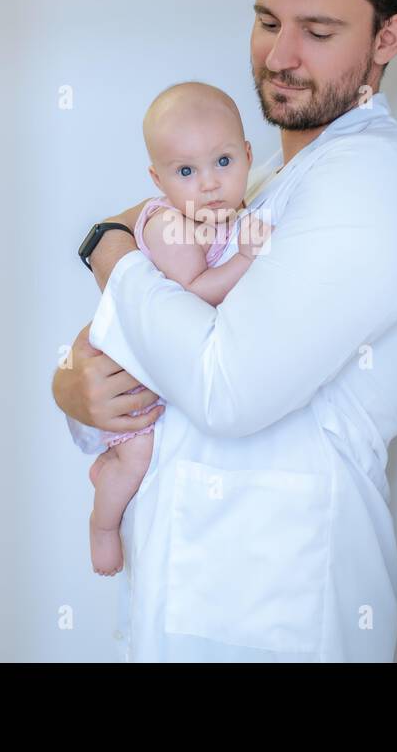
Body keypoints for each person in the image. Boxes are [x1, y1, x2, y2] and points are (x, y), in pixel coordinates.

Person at [55, 0, 397, 661]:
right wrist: (75, 394)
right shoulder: (260, 185)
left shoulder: (379, 184)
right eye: (268, 21)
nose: (281, 55)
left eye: (318, 30)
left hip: (281, 618)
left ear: (386, 38)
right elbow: (138, 354)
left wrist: (111, 254)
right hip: (185, 600)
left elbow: (224, 388)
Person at [85, 81, 273, 577]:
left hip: (164, 372)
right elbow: (191, 292)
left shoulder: (231, 213)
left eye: (224, 162)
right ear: (158, 179)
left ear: (249, 155)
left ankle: (111, 470)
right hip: (131, 380)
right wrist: (249, 259)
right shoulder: (171, 227)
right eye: (186, 171)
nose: (209, 184)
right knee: (137, 455)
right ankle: (102, 524)